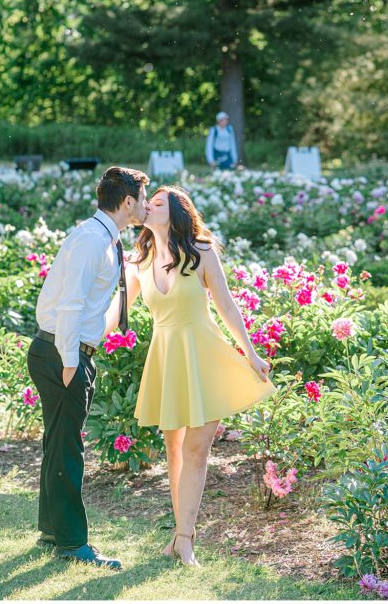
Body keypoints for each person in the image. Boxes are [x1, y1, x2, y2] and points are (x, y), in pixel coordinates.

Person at [104, 185, 274, 566]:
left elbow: (227, 306)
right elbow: (117, 311)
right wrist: (86, 336)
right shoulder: (139, 261)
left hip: (204, 357)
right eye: (148, 201)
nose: (148, 206)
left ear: (177, 212)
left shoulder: (201, 252)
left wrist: (251, 353)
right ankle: (181, 536)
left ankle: (184, 539)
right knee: (174, 450)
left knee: (197, 450)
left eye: (157, 202)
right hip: (167, 359)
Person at [27, 166, 150, 570]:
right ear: (127, 201)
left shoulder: (105, 238)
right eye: (143, 199)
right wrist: (69, 362)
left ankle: (52, 530)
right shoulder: (91, 239)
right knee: (67, 449)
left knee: (58, 444)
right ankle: (73, 543)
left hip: (66, 351)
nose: (146, 206)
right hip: (61, 353)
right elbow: (70, 304)